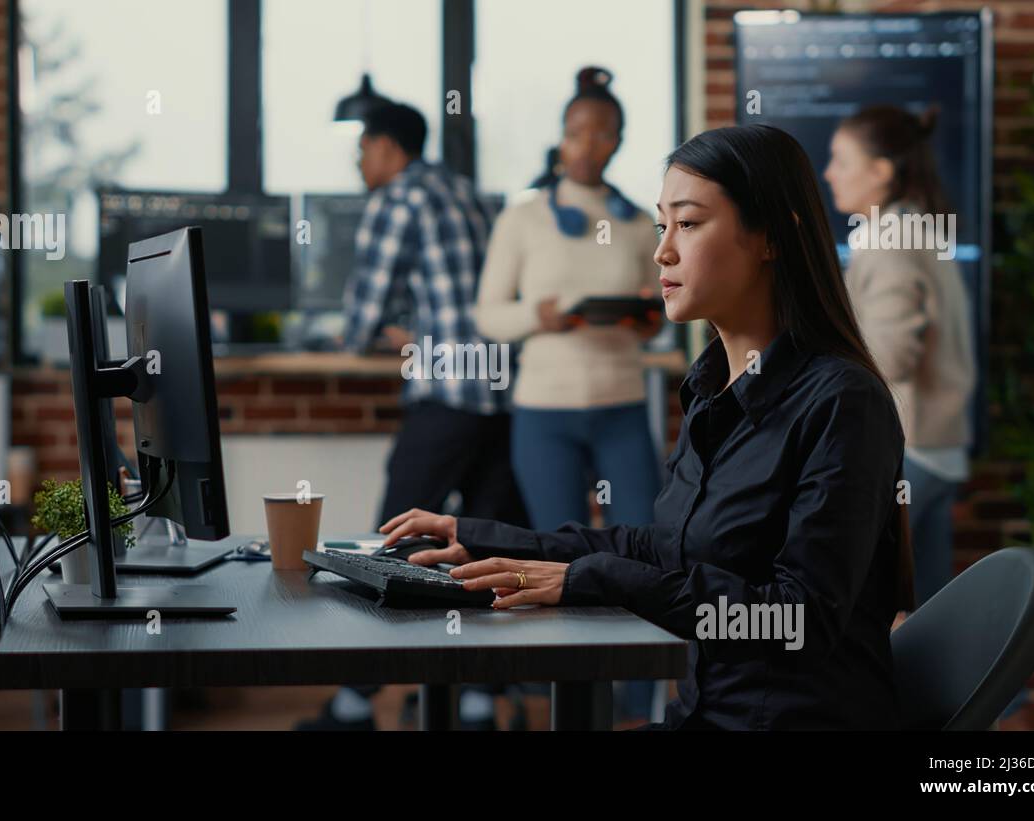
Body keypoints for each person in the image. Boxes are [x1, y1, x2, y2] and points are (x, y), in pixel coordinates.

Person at [380, 124, 915, 731]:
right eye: (663, 227)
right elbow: (658, 547)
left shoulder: (843, 403)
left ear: (771, 237)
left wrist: (593, 579)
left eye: (688, 224)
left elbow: (797, 620)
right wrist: (482, 537)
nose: (663, 251)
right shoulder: (713, 388)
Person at [298, 102, 529, 731]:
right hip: (505, 398)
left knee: (391, 543)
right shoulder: (473, 195)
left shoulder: (398, 199)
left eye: (363, 147)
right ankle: (479, 701)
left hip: (448, 396)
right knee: (481, 547)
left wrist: (350, 337)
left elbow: (365, 307)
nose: (358, 160)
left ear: (389, 148)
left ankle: (354, 703)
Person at [474, 67, 665, 722]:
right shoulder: (523, 218)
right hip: (545, 412)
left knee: (644, 549)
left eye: (601, 133)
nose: (586, 143)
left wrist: (649, 317)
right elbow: (489, 314)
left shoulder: (640, 222)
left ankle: (640, 701)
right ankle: (566, 700)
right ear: (561, 137)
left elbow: (659, 307)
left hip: (619, 404)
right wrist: (540, 316)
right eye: (576, 131)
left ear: (617, 142)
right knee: (552, 554)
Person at [823, 105, 975, 606]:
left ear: (881, 171)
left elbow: (888, 357)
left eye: (842, 161)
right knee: (925, 617)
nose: (829, 174)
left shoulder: (890, 243)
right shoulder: (912, 230)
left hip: (909, 452)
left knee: (876, 613)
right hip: (935, 450)